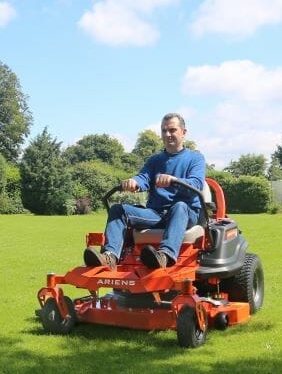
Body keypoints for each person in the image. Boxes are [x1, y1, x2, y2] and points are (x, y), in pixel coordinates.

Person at [84, 112, 206, 270]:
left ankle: (165, 256)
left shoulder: (195, 158)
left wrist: (174, 180)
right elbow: (143, 178)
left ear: (183, 132)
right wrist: (134, 182)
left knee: (180, 206)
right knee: (118, 210)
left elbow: (196, 184)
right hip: (156, 214)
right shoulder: (155, 160)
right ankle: (110, 257)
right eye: (164, 131)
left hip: (184, 213)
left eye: (172, 130)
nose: (168, 134)